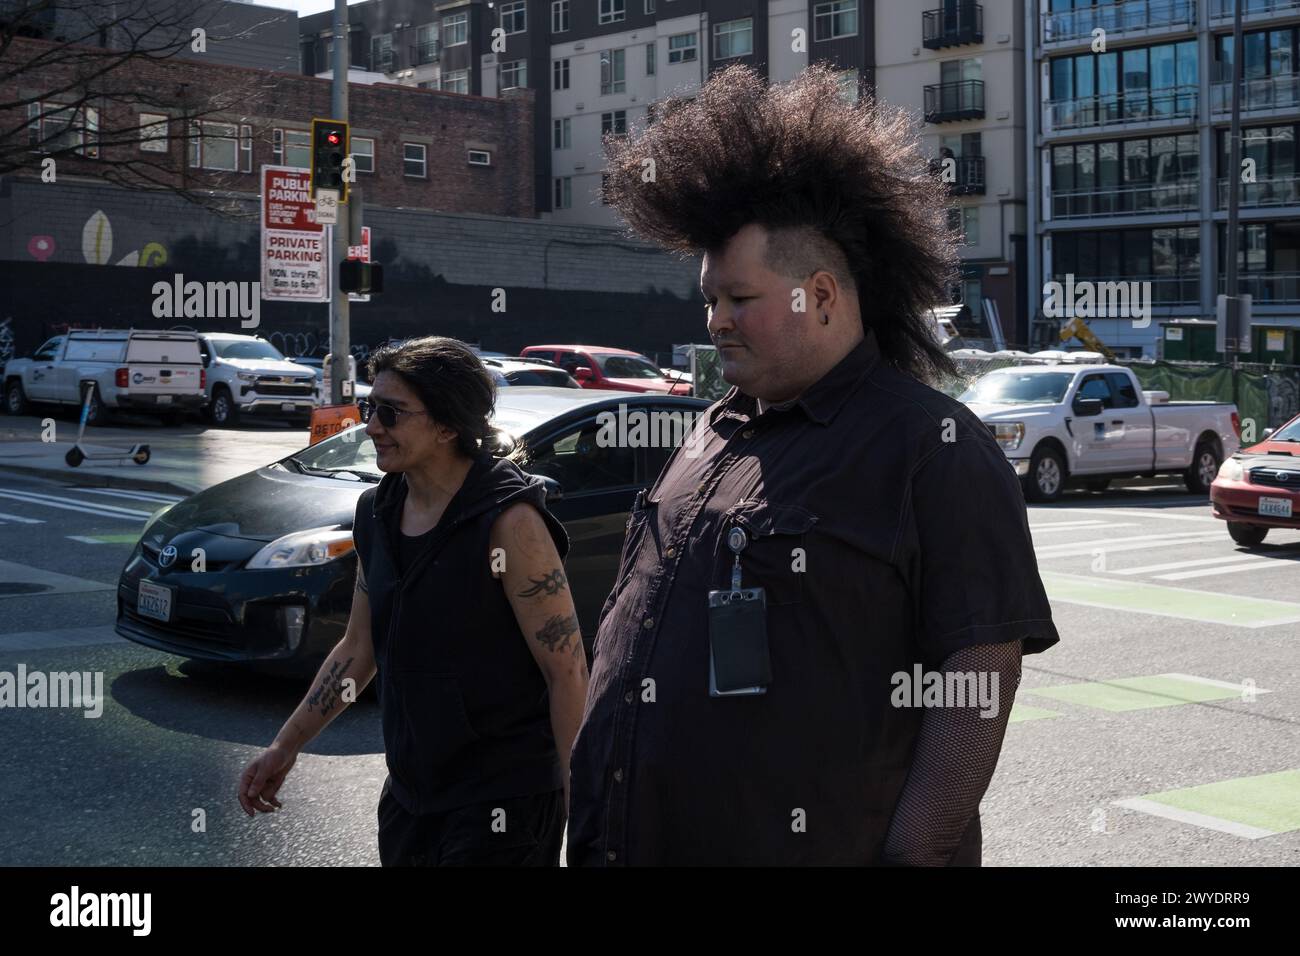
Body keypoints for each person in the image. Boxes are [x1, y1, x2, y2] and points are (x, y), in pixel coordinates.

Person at [566, 65, 1060, 866]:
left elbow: (977, 670)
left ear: (821, 296)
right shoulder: (710, 434)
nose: (716, 322)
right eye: (708, 300)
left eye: (738, 298)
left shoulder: (931, 449)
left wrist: (916, 852)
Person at [239, 336, 589, 866]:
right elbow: (359, 649)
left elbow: (566, 672)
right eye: (369, 407)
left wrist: (581, 807)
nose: (372, 426)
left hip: (502, 802)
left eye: (391, 413)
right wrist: (285, 747)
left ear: (447, 425)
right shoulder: (377, 512)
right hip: (410, 795)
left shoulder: (509, 524)